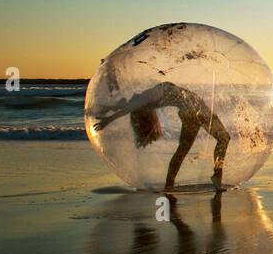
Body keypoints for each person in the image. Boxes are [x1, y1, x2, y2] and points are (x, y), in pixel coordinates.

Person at [91, 82, 230, 191]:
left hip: (192, 111)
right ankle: (216, 175)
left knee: (183, 151)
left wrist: (110, 109)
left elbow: (127, 105)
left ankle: (169, 185)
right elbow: (129, 107)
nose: (133, 95)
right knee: (223, 138)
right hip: (195, 111)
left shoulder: (147, 97)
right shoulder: (146, 97)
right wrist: (108, 120)